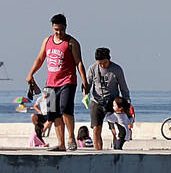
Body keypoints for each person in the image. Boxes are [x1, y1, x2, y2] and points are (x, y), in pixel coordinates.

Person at [25, 13, 90, 152]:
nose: (59, 32)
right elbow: (40, 58)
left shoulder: (71, 43)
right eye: (56, 30)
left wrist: (85, 81)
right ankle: (61, 143)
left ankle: (71, 138)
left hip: (67, 81)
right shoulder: (47, 40)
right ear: (52, 28)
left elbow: (79, 63)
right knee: (53, 114)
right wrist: (31, 74)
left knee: (65, 109)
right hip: (51, 83)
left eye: (61, 29)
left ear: (65, 27)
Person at [86, 47, 131, 151]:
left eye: (105, 63)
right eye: (100, 63)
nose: (102, 65)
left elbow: (123, 88)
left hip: (113, 103)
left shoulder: (117, 69)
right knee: (96, 128)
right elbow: (87, 84)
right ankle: (98, 152)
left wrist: (127, 103)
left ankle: (117, 147)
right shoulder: (92, 68)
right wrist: (85, 90)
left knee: (118, 129)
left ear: (109, 59)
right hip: (97, 101)